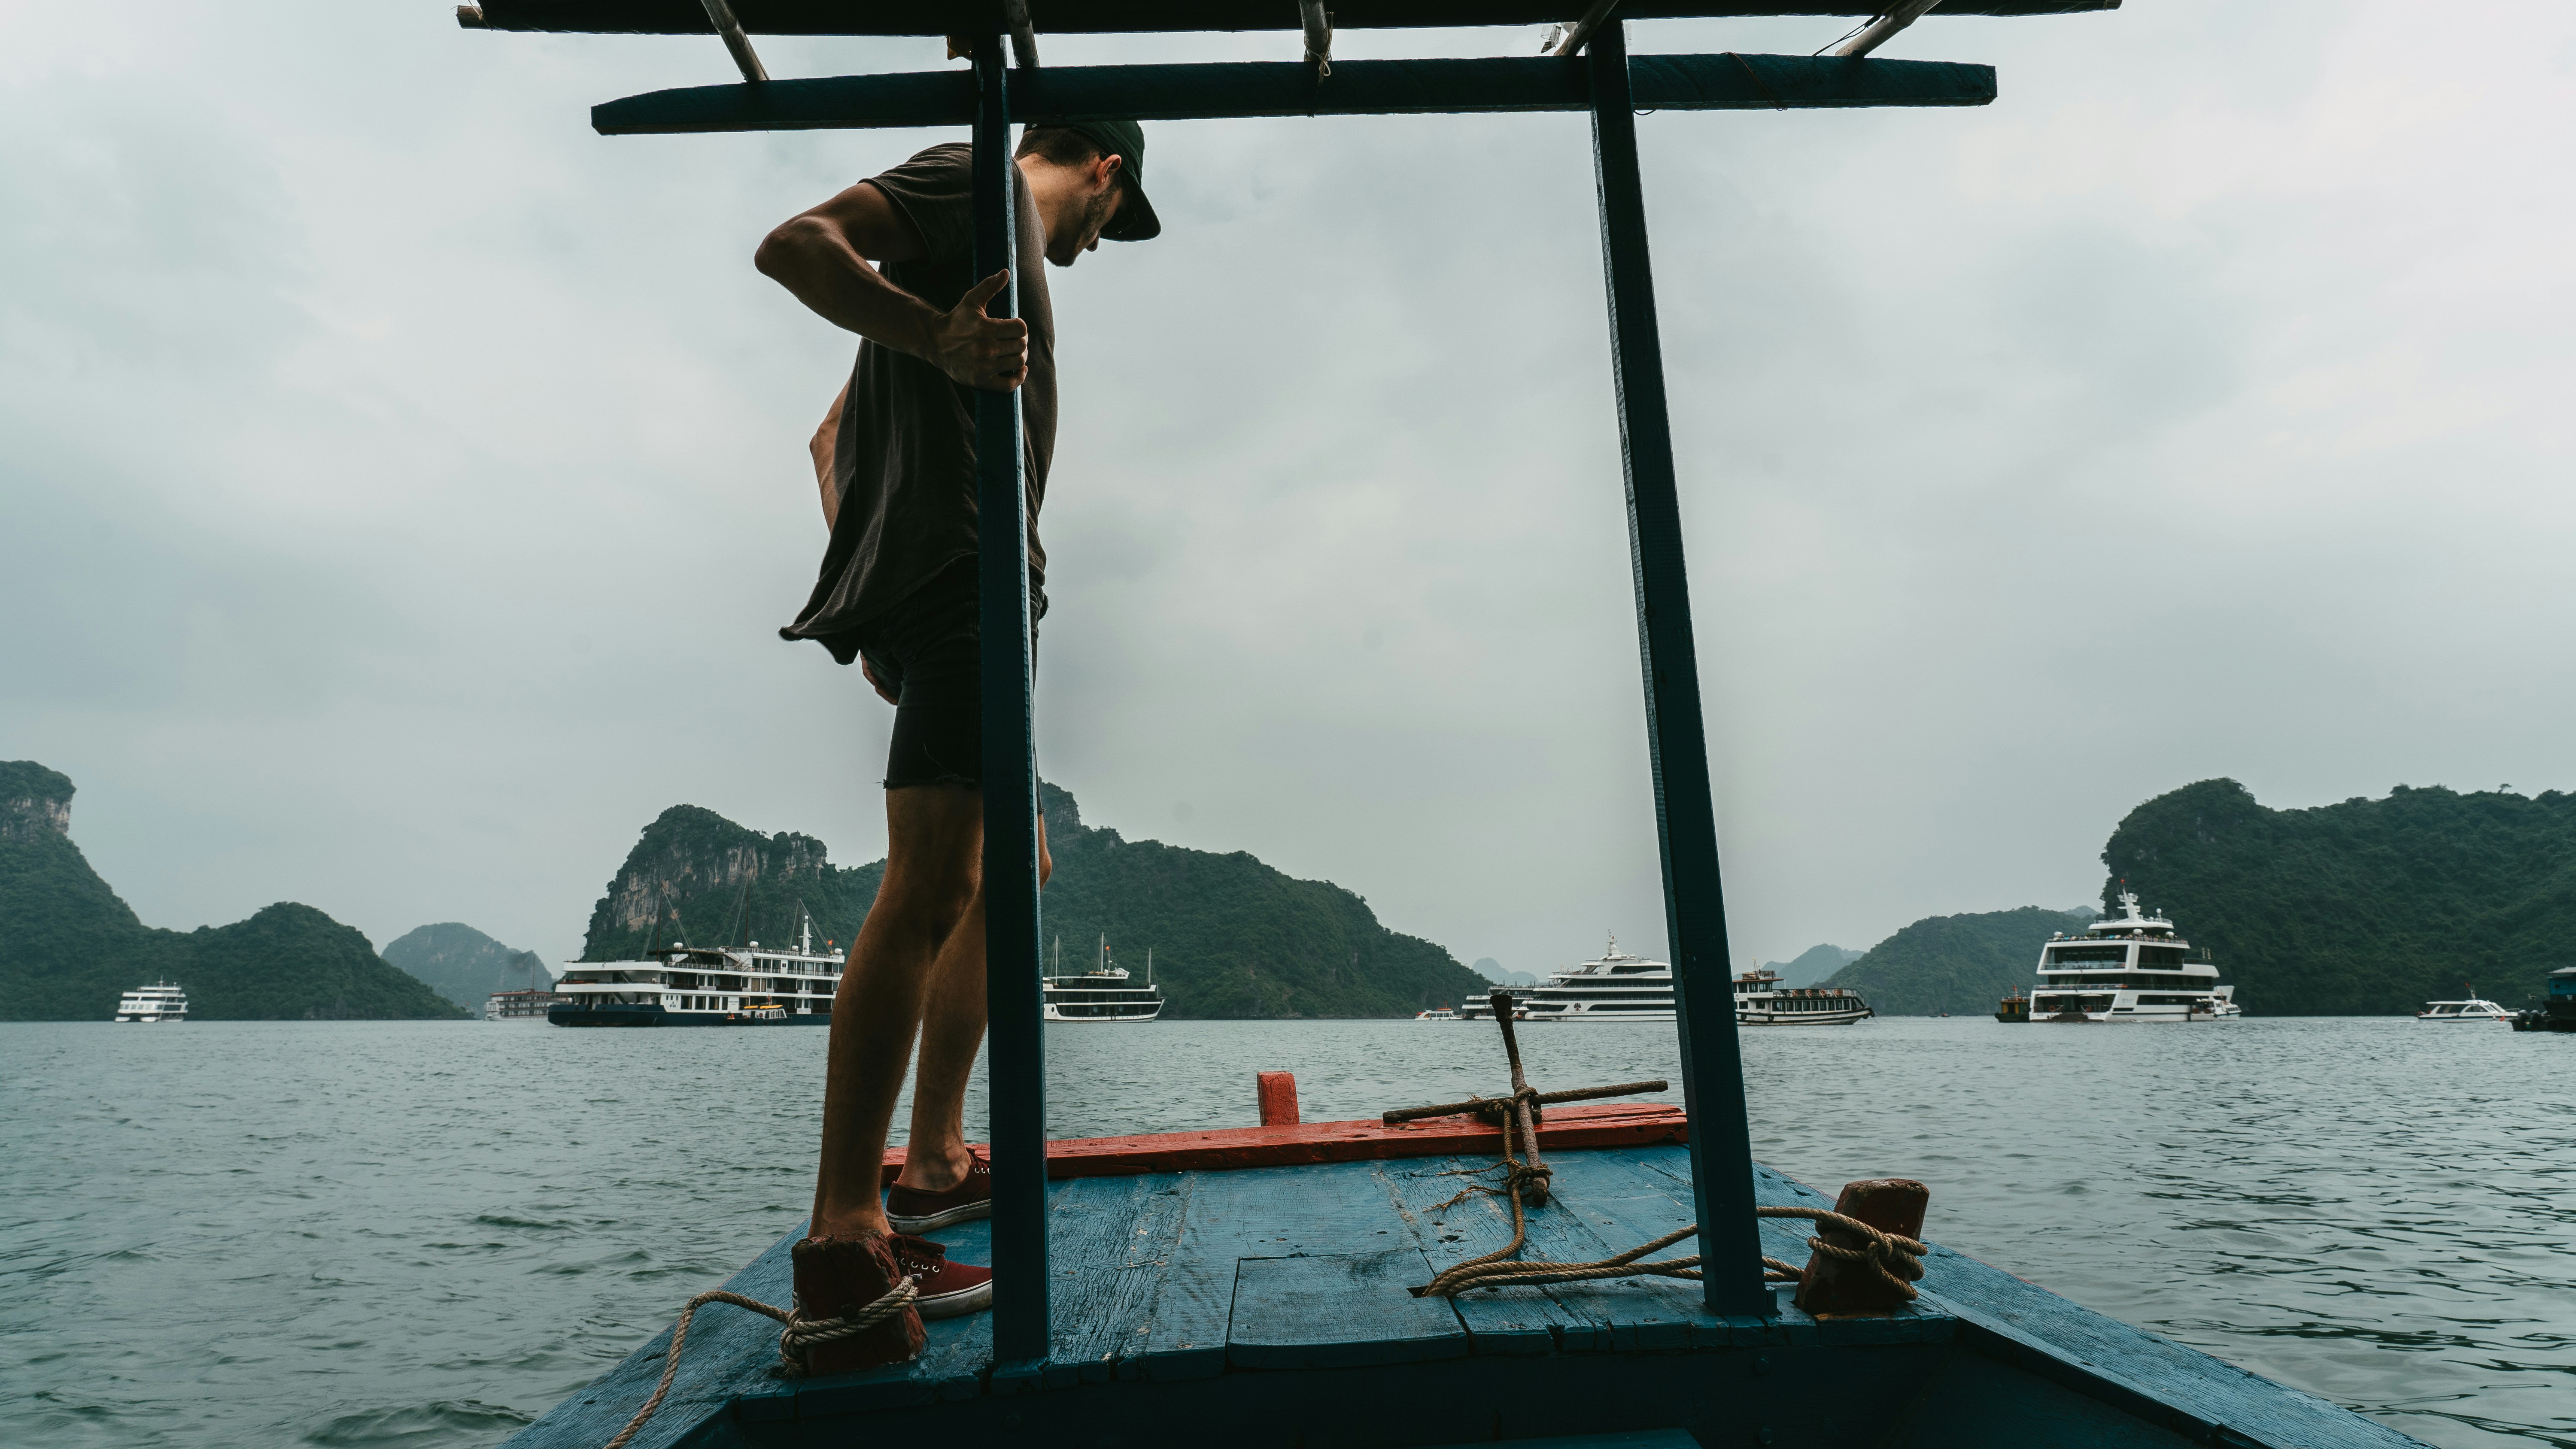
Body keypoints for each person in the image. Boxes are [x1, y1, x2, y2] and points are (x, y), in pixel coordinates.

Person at [753, 118, 1161, 1371]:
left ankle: (928, 1166)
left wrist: (870, 575)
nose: (1099, 245)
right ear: (1105, 169)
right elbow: (794, 247)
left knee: (1007, 875)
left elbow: (829, 441)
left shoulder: (999, 248)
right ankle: (850, 1224)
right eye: (1114, 216)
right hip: (967, 581)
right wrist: (935, 340)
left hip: (956, 587)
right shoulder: (975, 183)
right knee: (933, 882)